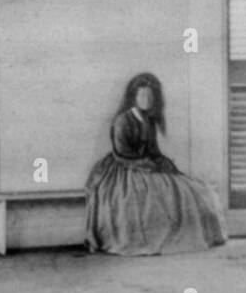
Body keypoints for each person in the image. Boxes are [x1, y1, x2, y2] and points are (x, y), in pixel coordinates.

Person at [85, 72, 227, 256]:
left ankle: (185, 235)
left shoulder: (149, 121)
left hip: (146, 164)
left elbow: (153, 150)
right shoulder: (122, 120)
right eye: (142, 95)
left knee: (189, 188)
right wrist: (145, 164)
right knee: (145, 196)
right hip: (124, 167)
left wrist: (163, 162)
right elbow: (121, 152)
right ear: (134, 97)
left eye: (150, 96)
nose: (147, 99)